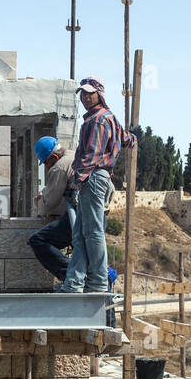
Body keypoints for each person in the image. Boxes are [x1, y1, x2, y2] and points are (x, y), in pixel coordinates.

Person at [59, 76, 136, 294]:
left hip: (92, 177)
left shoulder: (96, 121)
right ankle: (74, 283)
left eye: (89, 93)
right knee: (82, 234)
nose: (85, 97)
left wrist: (76, 182)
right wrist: (134, 137)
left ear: (99, 94)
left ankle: (99, 282)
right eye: (83, 94)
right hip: (96, 177)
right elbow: (126, 138)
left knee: (92, 233)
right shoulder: (108, 117)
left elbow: (91, 155)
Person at [28, 136, 77, 285]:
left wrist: (39, 202)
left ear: (54, 157)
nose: (48, 167)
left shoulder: (60, 167)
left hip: (78, 217)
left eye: (47, 163)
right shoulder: (75, 156)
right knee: (85, 252)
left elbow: (49, 203)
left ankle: (71, 276)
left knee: (38, 240)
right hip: (96, 215)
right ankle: (82, 276)